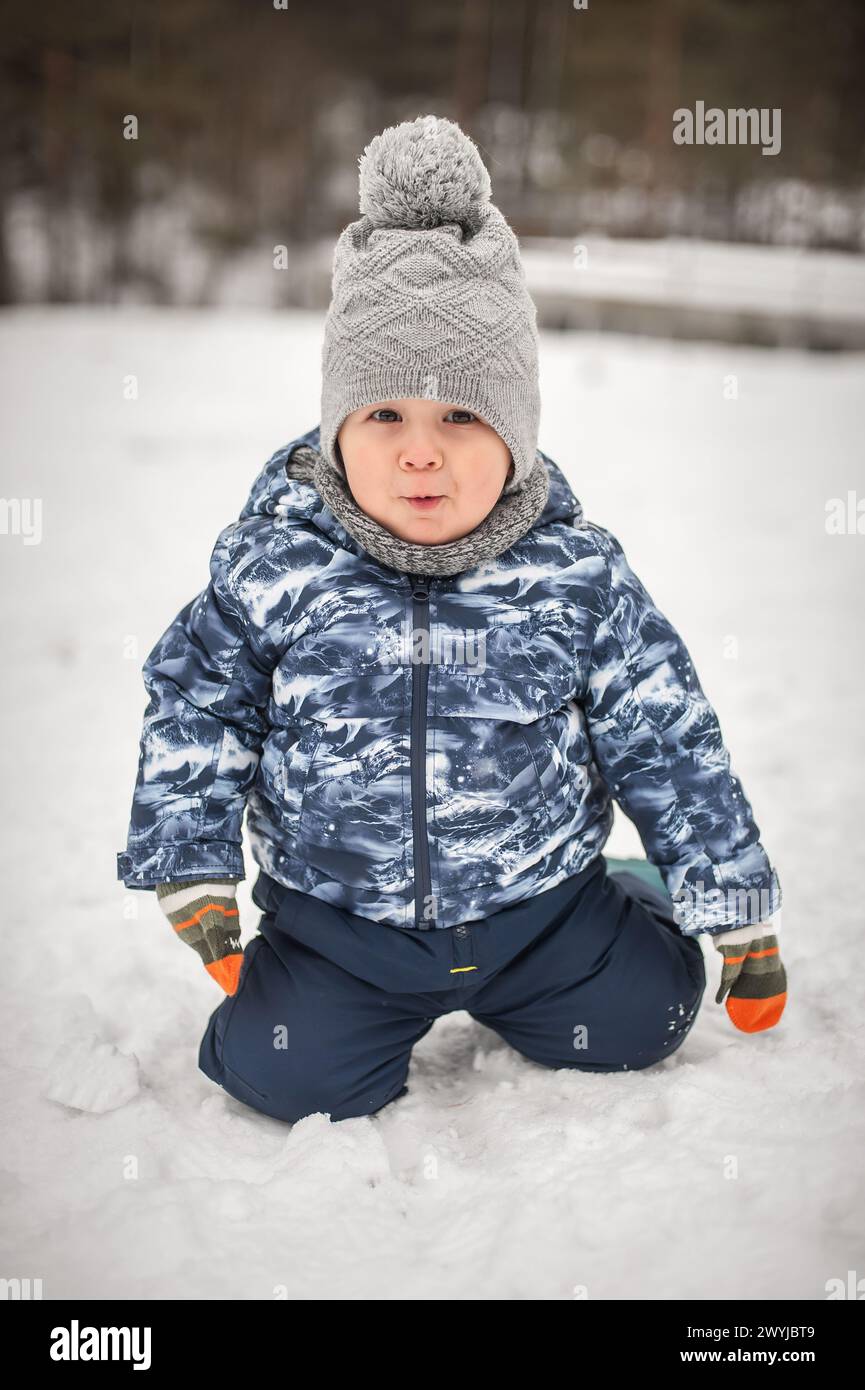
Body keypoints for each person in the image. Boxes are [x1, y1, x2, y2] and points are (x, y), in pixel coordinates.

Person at [116, 115, 786, 1125]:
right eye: (384, 413)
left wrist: (728, 900)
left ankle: (632, 893)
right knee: (282, 1076)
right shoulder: (274, 566)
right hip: (340, 928)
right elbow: (197, 705)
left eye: (461, 415)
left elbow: (664, 734)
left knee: (642, 1021)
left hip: (544, 912)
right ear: (336, 428)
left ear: (517, 434)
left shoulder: (574, 574)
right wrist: (190, 859)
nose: (420, 452)